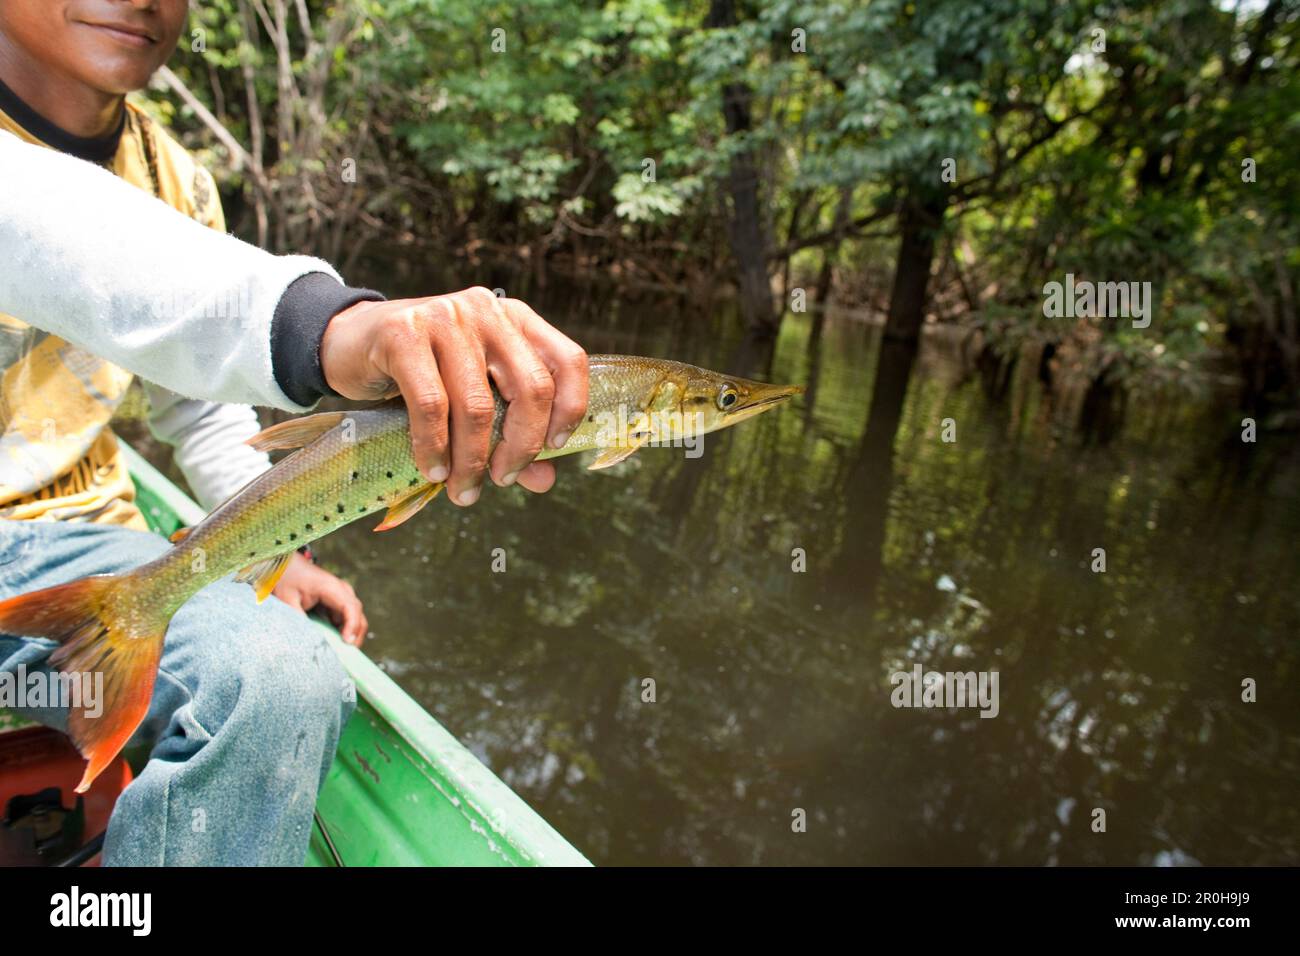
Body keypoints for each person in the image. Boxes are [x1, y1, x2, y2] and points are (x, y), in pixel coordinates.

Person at [0, 0, 587, 865]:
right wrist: (335, 328)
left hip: (87, 547)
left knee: (281, 679)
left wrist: (279, 551)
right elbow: (71, 240)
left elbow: (194, 398)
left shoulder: (179, 178)